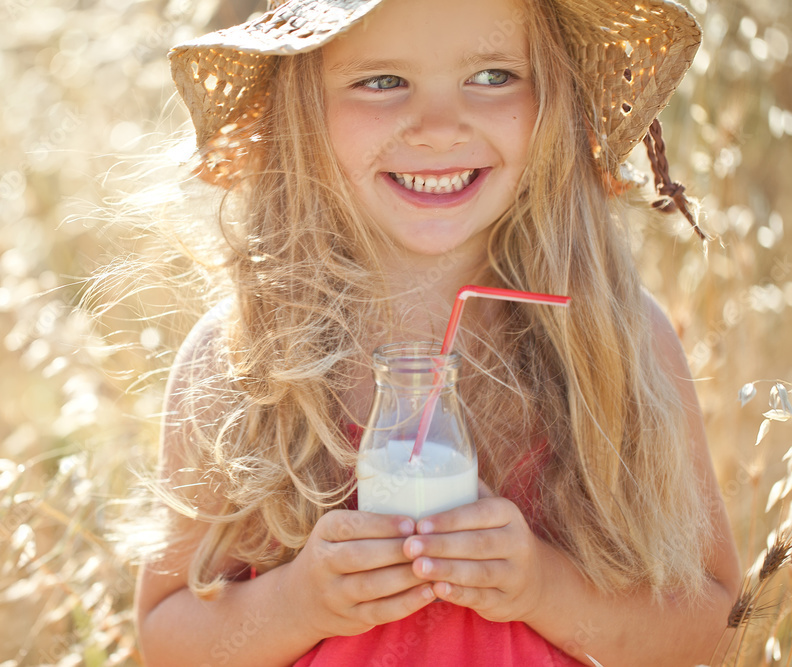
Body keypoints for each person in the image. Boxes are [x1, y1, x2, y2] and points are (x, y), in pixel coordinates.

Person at [132, 0, 741, 665]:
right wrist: (296, 604)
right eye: (382, 81)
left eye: (493, 76)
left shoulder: (617, 337)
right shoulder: (243, 357)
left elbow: (713, 620)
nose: (440, 128)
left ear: (555, 94)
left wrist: (545, 589)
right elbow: (167, 637)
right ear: (302, 108)